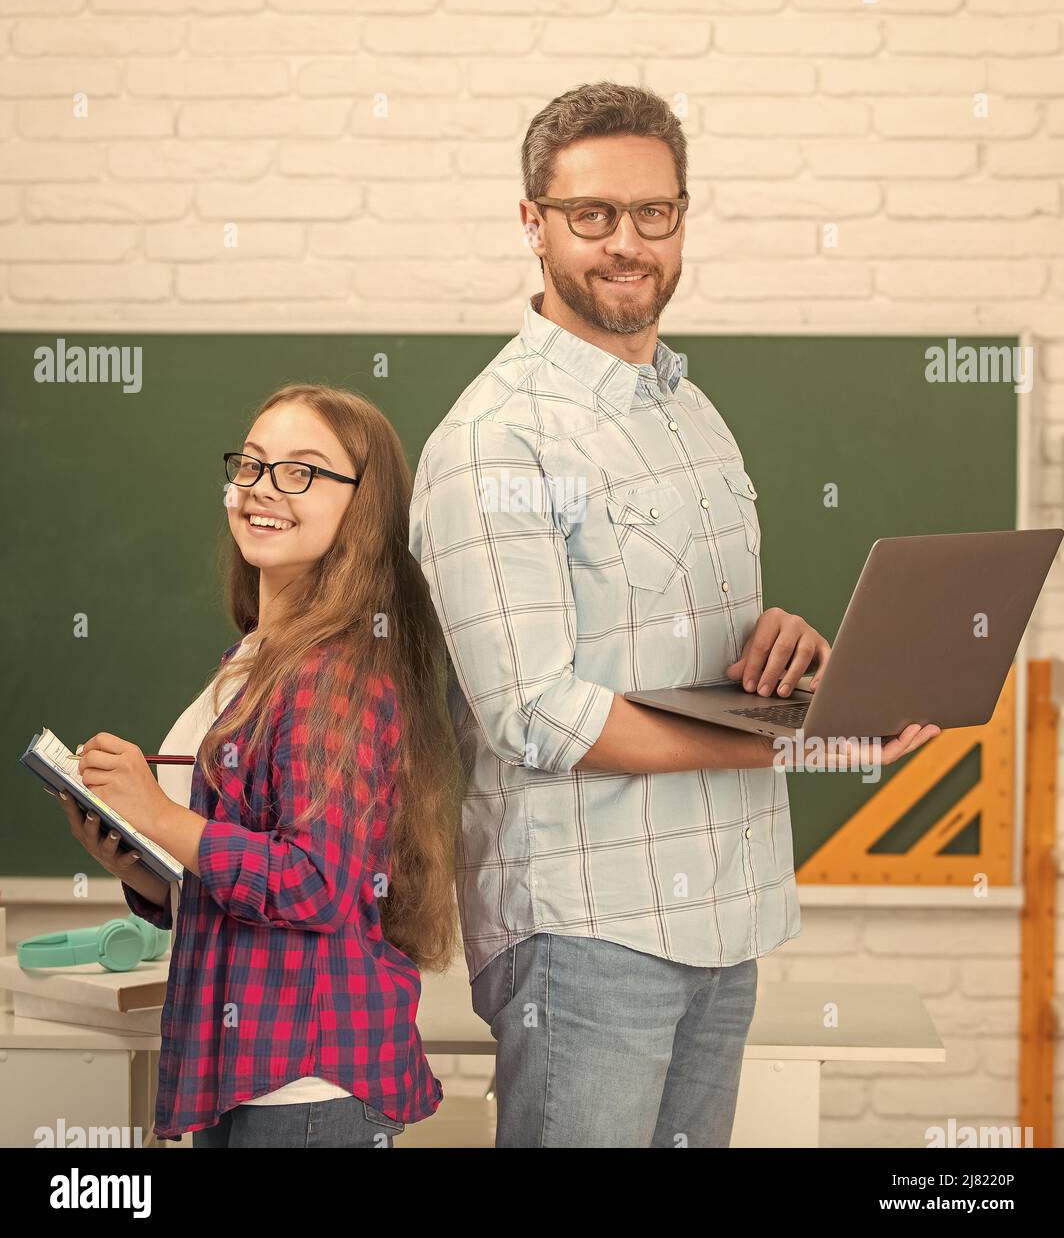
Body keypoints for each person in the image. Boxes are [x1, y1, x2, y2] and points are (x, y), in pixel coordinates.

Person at [409, 82, 939, 1148]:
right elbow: (536, 716)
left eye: (653, 213)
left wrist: (781, 663)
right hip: (586, 928)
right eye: (591, 215)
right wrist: (803, 744)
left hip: (721, 911)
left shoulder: (690, 413)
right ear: (532, 223)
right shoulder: (496, 441)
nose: (626, 244)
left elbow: (685, 650)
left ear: (681, 218)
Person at [60, 383, 462, 1148]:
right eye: (251, 466)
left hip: (305, 1087)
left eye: (302, 471)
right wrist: (144, 863)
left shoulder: (331, 675)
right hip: (254, 1071)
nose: (262, 490)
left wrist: (159, 814)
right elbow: (244, 880)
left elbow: (315, 884)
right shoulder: (255, 657)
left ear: (363, 506)